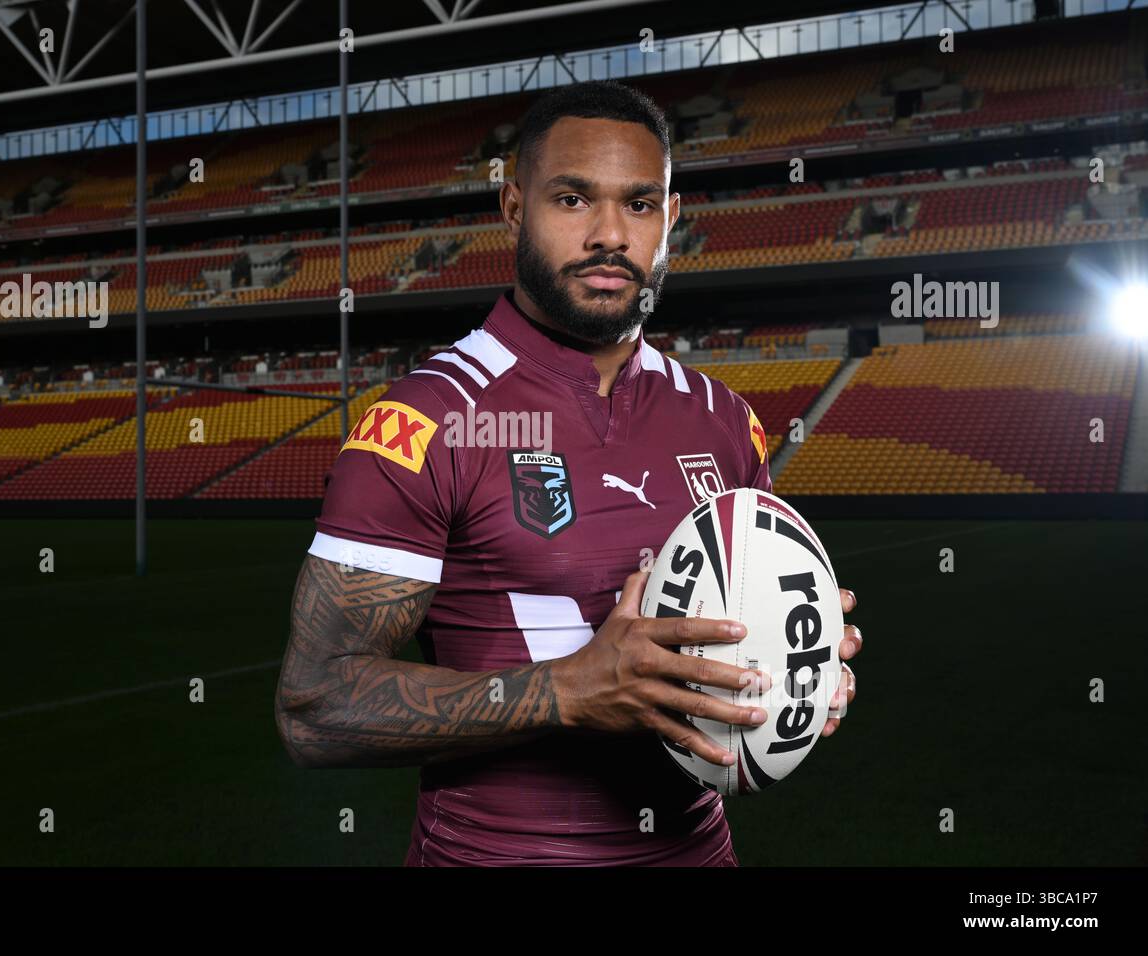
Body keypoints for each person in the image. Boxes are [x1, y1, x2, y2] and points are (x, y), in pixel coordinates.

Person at [276, 80, 861, 866]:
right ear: (514, 208)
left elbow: (731, 654)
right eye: (574, 199)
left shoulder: (724, 420)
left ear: (671, 219)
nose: (611, 234)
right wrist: (568, 692)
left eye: (640, 204)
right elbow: (315, 710)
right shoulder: (428, 422)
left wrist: (796, 669)